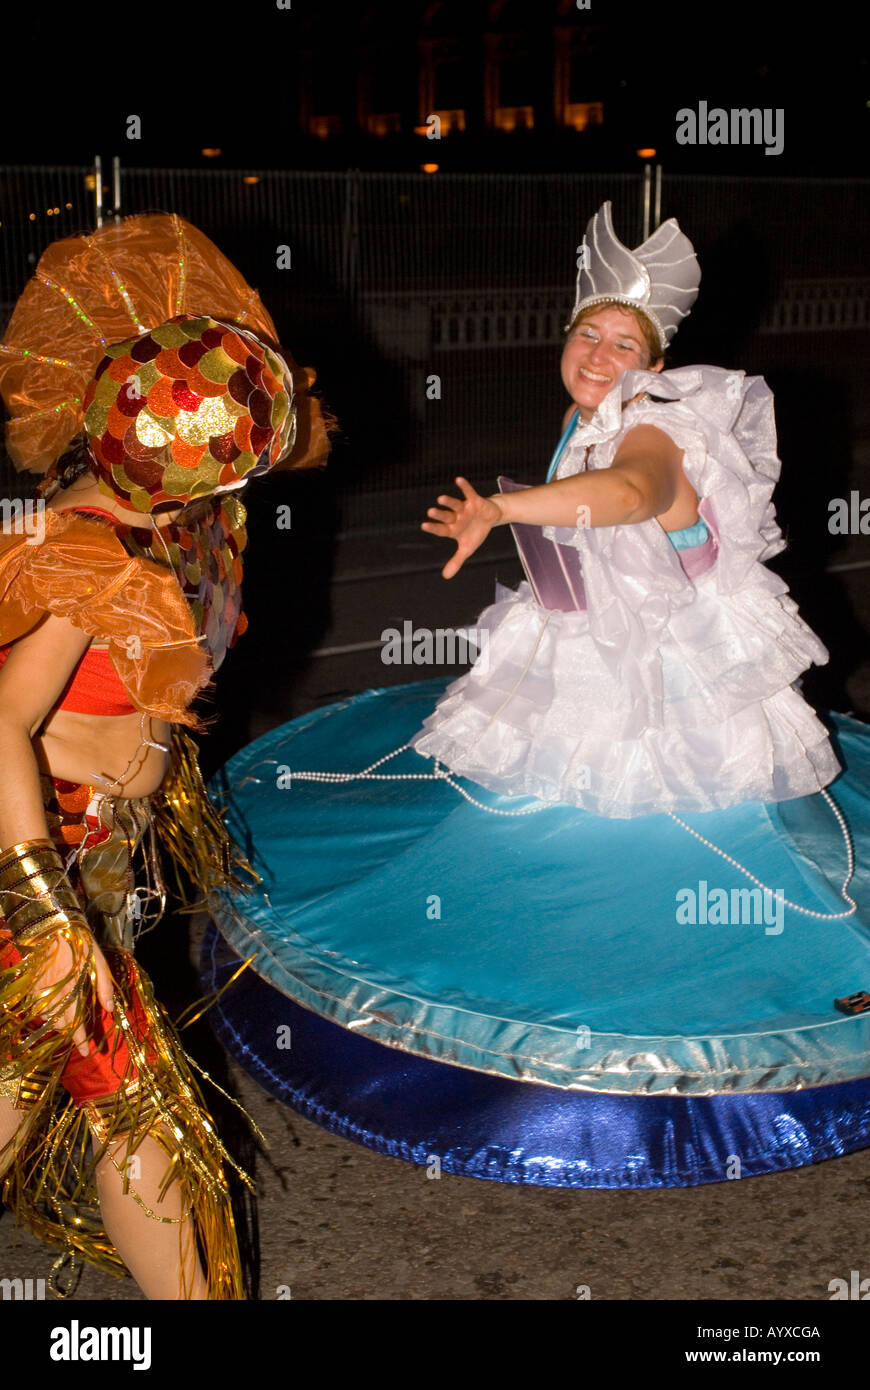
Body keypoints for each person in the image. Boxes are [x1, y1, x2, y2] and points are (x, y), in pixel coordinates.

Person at [200, 202, 870, 1191]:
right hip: (585, 640)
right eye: (589, 333)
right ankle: (535, 951)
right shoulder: (581, 418)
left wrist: (505, 506)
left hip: (674, 678)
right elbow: (585, 515)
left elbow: (631, 496)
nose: (602, 352)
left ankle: (645, 1021)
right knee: (530, 803)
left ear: (653, 357)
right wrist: (521, 527)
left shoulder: (660, 424)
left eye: (625, 340)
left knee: (668, 842)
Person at [0, 212, 331, 1295]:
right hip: (30, 864)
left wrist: (153, 714)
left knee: (95, 1096)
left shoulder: (158, 508)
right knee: (131, 1100)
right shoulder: (90, 549)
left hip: (82, 853)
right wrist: (43, 905)